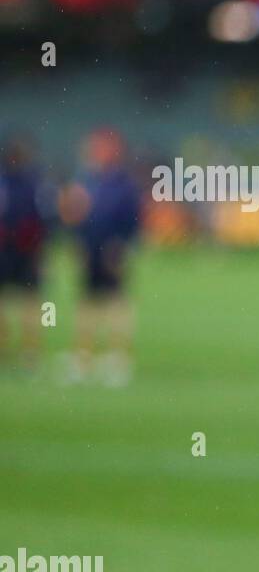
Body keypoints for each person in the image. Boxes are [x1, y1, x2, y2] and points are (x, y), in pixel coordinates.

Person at [68, 128, 141, 386]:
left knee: (116, 302)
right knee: (87, 302)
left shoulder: (124, 183)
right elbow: (75, 216)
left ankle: (118, 359)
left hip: (112, 251)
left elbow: (133, 220)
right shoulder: (87, 179)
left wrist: (121, 246)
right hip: (90, 249)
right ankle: (83, 357)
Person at [0, 134, 53, 372]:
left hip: (18, 249)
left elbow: (46, 220)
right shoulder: (38, 182)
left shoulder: (33, 182)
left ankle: (25, 352)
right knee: (32, 303)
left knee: (31, 303)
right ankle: (29, 353)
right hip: (26, 249)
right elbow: (47, 220)